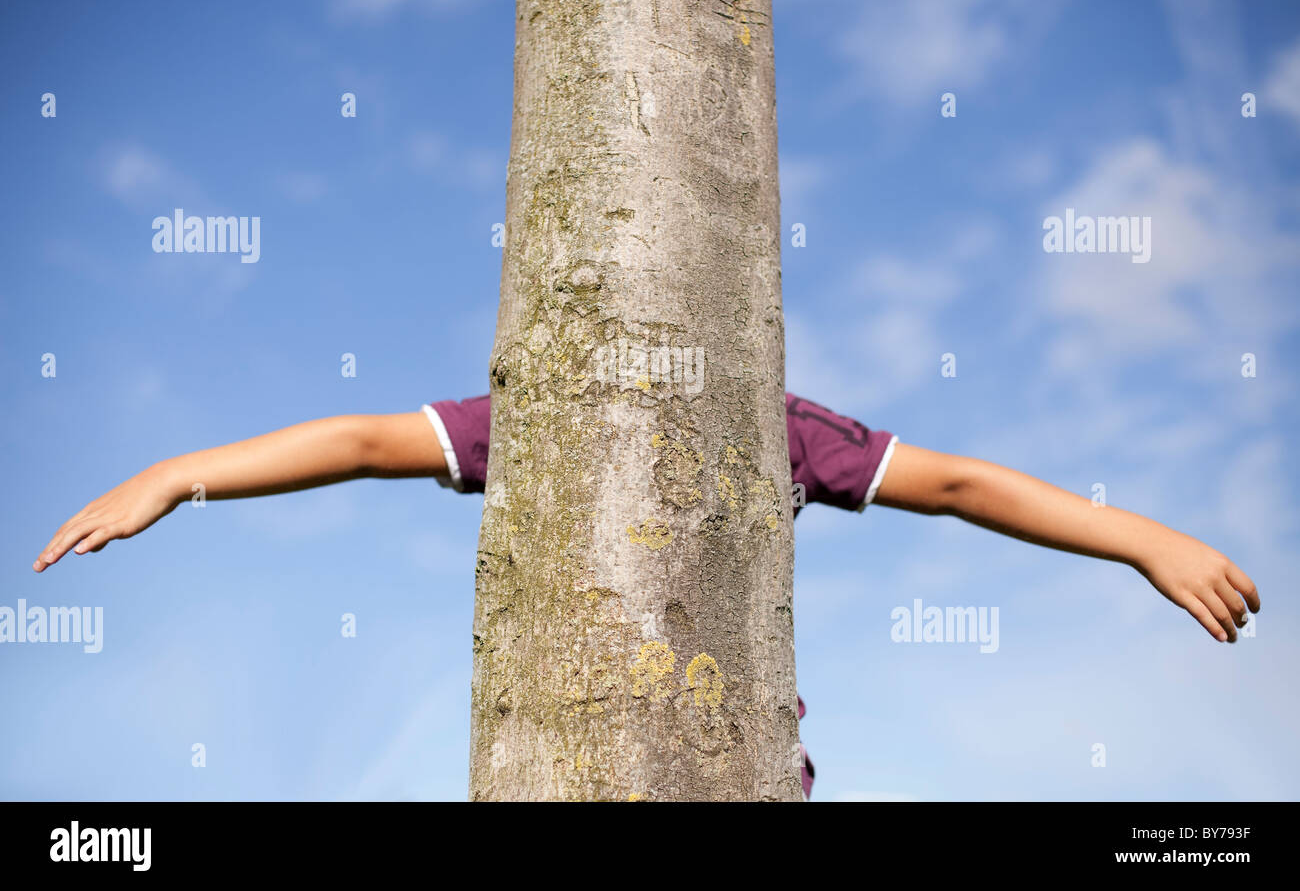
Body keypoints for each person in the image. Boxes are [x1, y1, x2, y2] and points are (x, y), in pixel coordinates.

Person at [32, 390, 1260, 798]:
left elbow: (952, 483)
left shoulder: (767, 418)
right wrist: (176, 475)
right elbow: (361, 440)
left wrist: (1146, 538)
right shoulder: (552, 408)